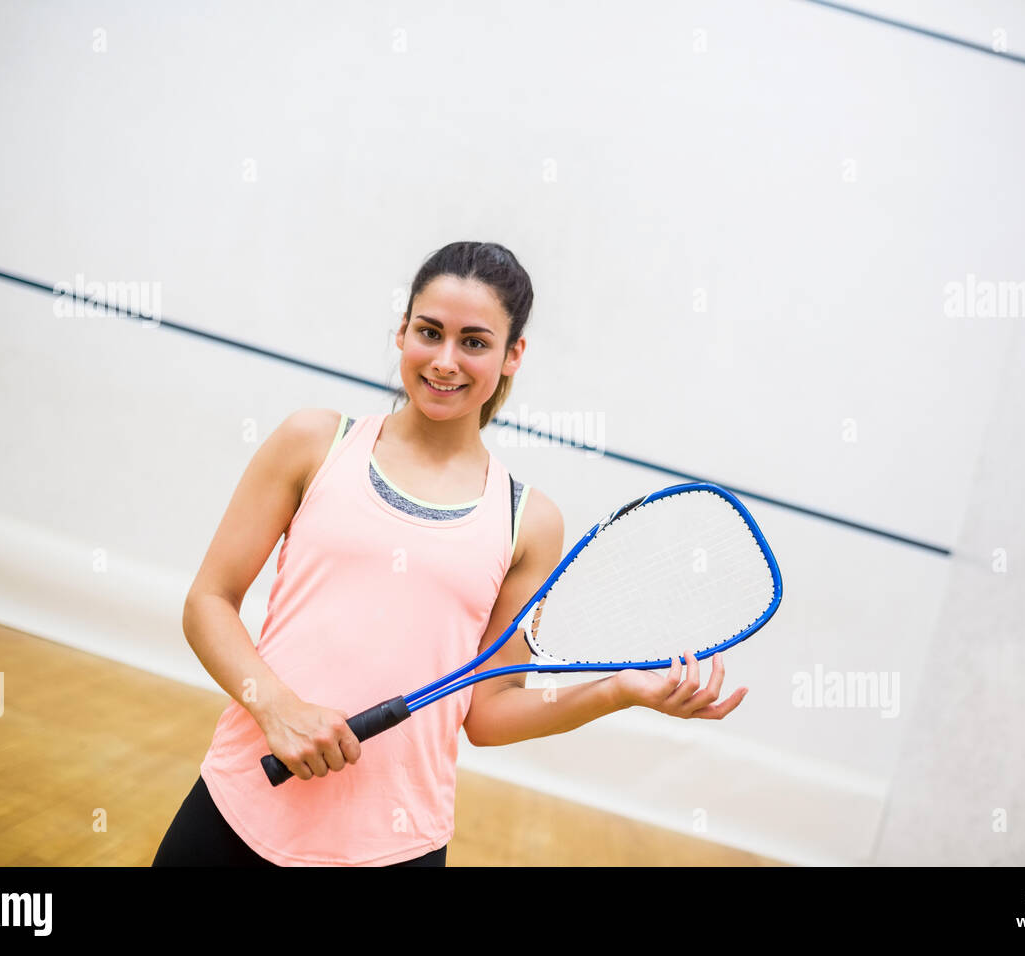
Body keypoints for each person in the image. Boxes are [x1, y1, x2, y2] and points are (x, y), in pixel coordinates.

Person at [151, 241, 747, 867]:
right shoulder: (314, 444)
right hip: (238, 806)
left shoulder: (528, 523)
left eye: (474, 342)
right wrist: (277, 708)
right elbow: (208, 601)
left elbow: (487, 714)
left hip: (393, 847)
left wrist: (616, 692)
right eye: (429, 332)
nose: (444, 361)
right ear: (402, 330)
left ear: (513, 354)